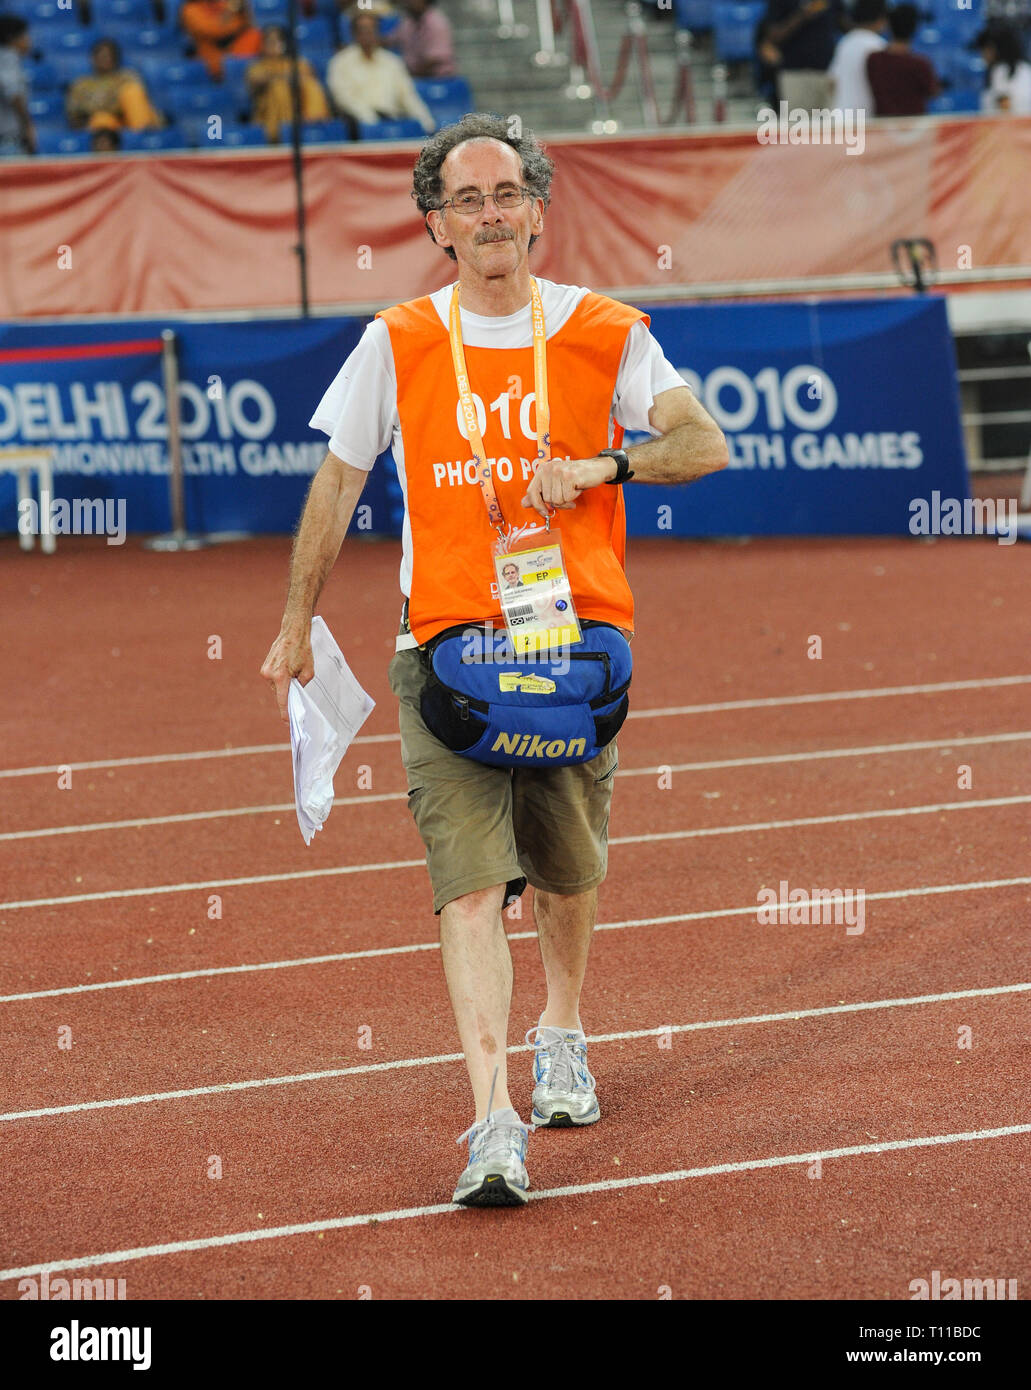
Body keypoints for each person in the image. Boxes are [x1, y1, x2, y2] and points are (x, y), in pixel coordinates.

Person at [259, 113, 728, 1207]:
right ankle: (491, 1120)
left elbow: (703, 443)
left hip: (572, 649)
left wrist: (603, 463)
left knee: (566, 869)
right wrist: (293, 623)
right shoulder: (399, 338)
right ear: (434, 223)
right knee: (467, 888)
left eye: (505, 194)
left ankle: (560, 1030)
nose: (489, 215)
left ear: (537, 208)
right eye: (465, 201)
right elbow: (336, 480)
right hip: (442, 649)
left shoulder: (605, 328)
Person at [326, 8, 435, 133]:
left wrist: (426, 122)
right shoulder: (340, 63)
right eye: (363, 30)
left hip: (393, 121)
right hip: (358, 126)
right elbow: (343, 99)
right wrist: (373, 122)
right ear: (354, 33)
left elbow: (408, 96)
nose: (368, 34)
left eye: (372, 29)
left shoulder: (393, 62)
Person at [246, 25, 331, 141]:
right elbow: (257, 79)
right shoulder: (257, 66)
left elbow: (307, 78)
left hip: (301, 114)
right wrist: (282, 77)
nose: (273, 45)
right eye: (269, 41)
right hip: (268, 121)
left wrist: (284, 77)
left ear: (285, 43)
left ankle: (313, 127)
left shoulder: (298, 64)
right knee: (278, 88)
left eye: (277, 41)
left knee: (311, 85)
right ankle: (279, 132)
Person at [66, 38, 164, 133]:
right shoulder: (81, 84)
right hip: (104, 128)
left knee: (132, 92)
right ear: (93, 58)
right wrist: (111, 105)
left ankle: (145, 137)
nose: (105, 59)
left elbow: (140, 102)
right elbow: (75, 115)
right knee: (102, 119)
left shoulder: (127, 76)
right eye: (102, 56)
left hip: (128, 121)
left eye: (109, 55)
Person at [762, 0, 844, 109]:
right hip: (794, 73)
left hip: (827, 71)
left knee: (830, 124)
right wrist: (803, 14)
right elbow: (773, 35)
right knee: (797, 123)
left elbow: (844, 23)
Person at [866, 4, 940, 116]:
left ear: (889, 26)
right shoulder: (919, 64)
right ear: (915, 28)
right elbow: (933, 92)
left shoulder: (874, 60)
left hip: (884, 126)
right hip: (913, 128)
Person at [828, 0, 887, 113]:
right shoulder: (879, 46)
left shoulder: (845, 42)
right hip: (866, 117)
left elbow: (831, 83)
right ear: (881, 20)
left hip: (841, 114)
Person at [180, 0, 262, 81]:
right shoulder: (190, 9)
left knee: (255, 36)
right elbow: (214, 30)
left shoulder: (224, 3)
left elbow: (247, 23)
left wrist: (242, 10)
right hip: (212, 65)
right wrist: (231, 13)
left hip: (241, 61)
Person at [975, 23, 1031, 115]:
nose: (983, 55)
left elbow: (1005, 107)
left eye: (986, 49)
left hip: (1011, 126)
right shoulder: (1025, 68)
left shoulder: (1001, 70)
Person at [395, 0, 457, 79]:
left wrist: (406, 71)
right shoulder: (408, 22)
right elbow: (392, 39)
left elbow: (435, 59)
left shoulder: (436, 22)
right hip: (415, 77)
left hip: (438, 79)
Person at [0, 14, 34, 155]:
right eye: (25, 35)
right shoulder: (8, 58)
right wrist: (27, 125)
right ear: (12, 38)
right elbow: (13, 93)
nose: (29, 40)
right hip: (7, 140)